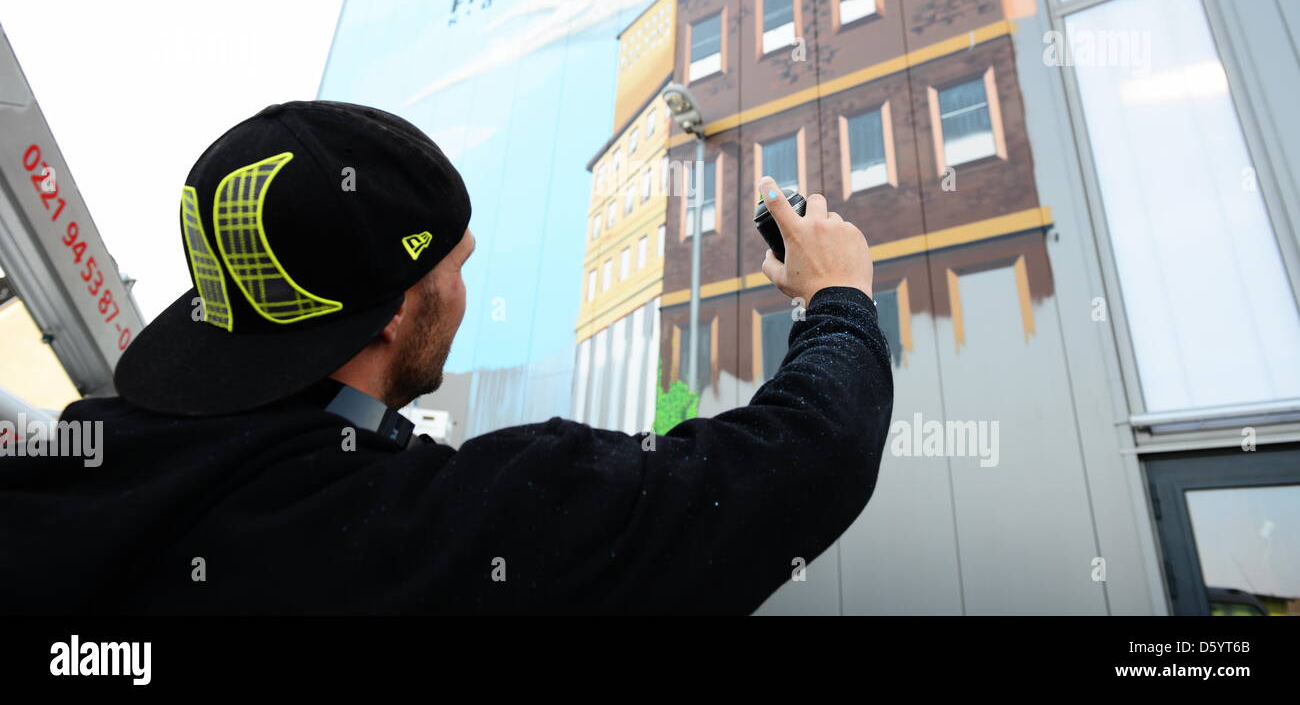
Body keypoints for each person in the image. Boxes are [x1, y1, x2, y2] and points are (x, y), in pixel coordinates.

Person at [1, 100, 893, 614]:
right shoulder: (425, 539)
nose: (464, 288)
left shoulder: (59, 471)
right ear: (394, 313)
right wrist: (838, 298)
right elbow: (800, 463)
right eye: (455, 267)